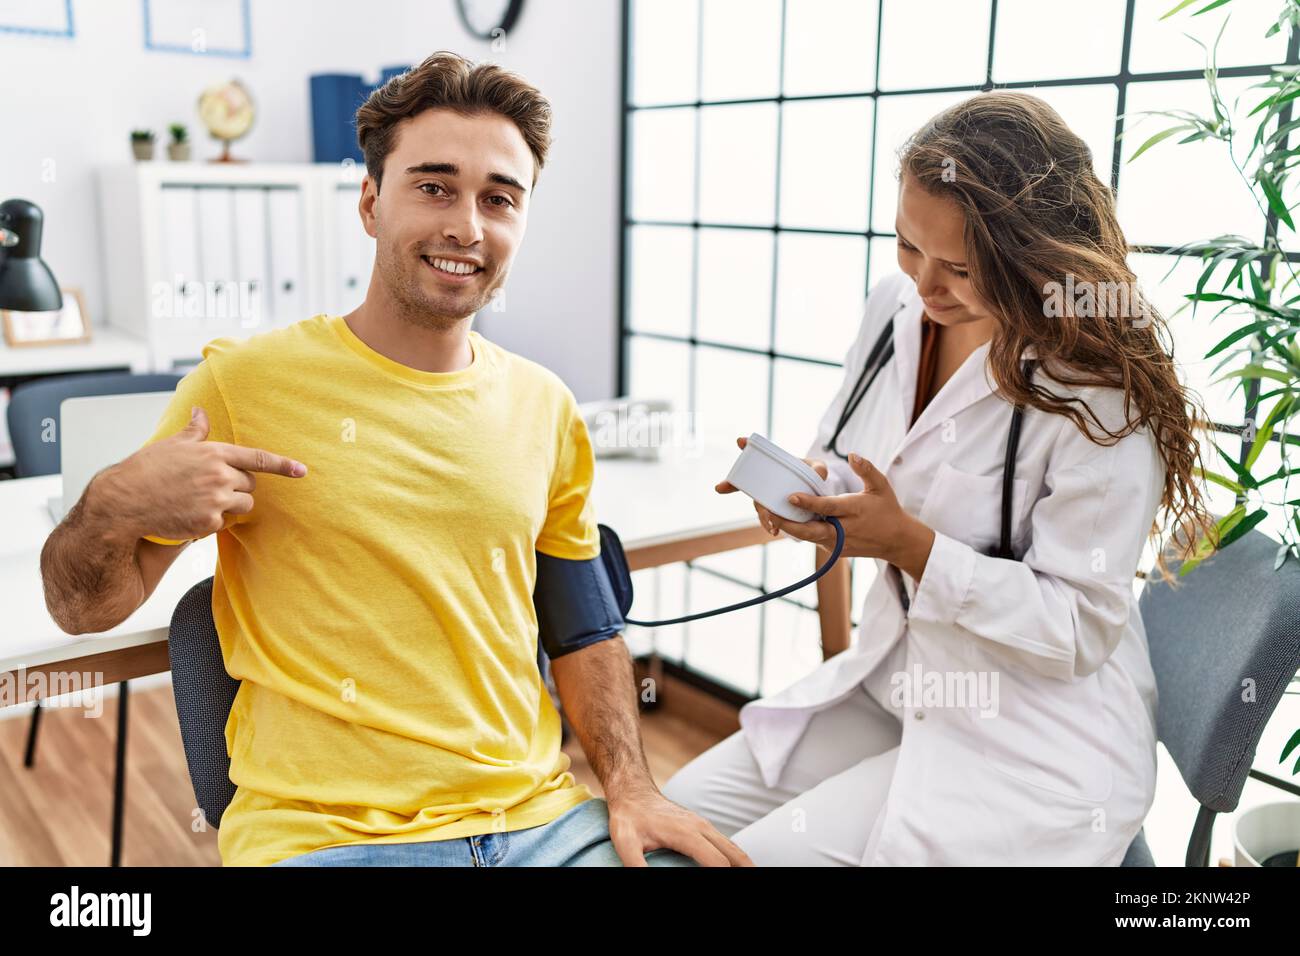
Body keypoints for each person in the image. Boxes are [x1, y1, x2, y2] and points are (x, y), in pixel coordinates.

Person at [40, 51, 749, 868]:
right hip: (328, 838)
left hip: (542, 822)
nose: (467, 227)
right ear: (372, 203)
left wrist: (631, 788)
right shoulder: (241, 385)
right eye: (434, 187)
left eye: (499, 199)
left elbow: (585, 630)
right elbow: (82, 613)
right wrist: (112, 504)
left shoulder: (548, 407)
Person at [661, 90, 1213, 866]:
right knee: (674, 824)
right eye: (907, 245)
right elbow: (844, 448)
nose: (925, 285)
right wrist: (807, 493)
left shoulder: (1098, 389)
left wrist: (914, 548)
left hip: (1030, 736)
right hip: (898, 681)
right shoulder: (898, 308)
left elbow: (1080, 626)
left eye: (960, 266)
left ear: (1036, 257)